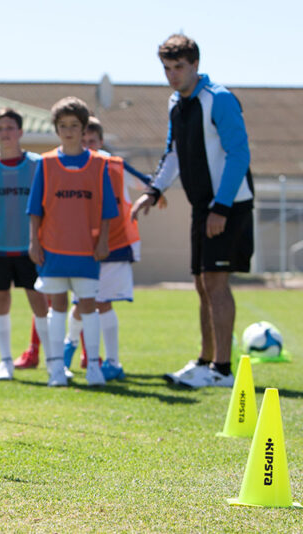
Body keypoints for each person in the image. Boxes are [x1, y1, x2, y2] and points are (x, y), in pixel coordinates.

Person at [131, 34, 253, 389]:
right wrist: (153, 192)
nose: (172, 75)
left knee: (215, 282)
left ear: (195, 65)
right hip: (204, 206)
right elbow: (172, 154)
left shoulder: (220, 99)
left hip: (228, 205)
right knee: (202, 284)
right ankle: (205, 362)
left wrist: (222, 207)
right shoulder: (175, 103)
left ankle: (223, 370)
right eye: (166, 68)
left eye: (179, 68)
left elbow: (239, 155)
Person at [27, 97, 119, 387]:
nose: (68, 131)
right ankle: (56, 369)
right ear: (56, 129)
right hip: (53, 248)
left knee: (89, 305)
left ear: (83, 129)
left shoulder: (98, 164)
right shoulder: (47, 162)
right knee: (58, 306)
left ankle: (94, 367)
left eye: (74, 125)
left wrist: (103, 241)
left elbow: (106, 209)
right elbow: (35, 209)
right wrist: (34, 242)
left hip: (86, 249)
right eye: (63, 125)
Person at [61, 117, 149, 381]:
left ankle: (111, 362)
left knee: (104, 302)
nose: (88, 145)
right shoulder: (67, 167)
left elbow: (148, 185)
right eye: (84, 141)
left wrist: (149, 197)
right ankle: (67, 353)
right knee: (79, 303)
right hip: (80, 245)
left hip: (115, 244)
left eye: (93, 141)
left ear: (101, 142)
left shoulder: (115, 166)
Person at [0, 108, 49, 381]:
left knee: (39, 301)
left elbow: (45, 206)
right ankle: (5, 361)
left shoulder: (37, 164)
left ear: (20, 131)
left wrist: (41, 241)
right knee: (0, 299)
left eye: (10, 127)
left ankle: (52, 361)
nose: (5, 133)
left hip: (31, 247)